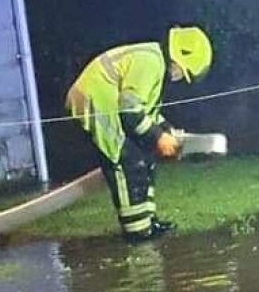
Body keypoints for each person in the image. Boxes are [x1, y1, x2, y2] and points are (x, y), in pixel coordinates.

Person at [66, 26, 213, 242]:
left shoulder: (155, 63)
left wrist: (168, 131)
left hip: (105, 101)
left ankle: (148, 222)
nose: (181, 77)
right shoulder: (151, 62)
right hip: (95, 101)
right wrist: (159, 137)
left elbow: (148, 112)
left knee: (146, 155)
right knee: (126, 159)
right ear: (178, 57)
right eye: (184, 72)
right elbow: (130, 111)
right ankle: (137, 232)